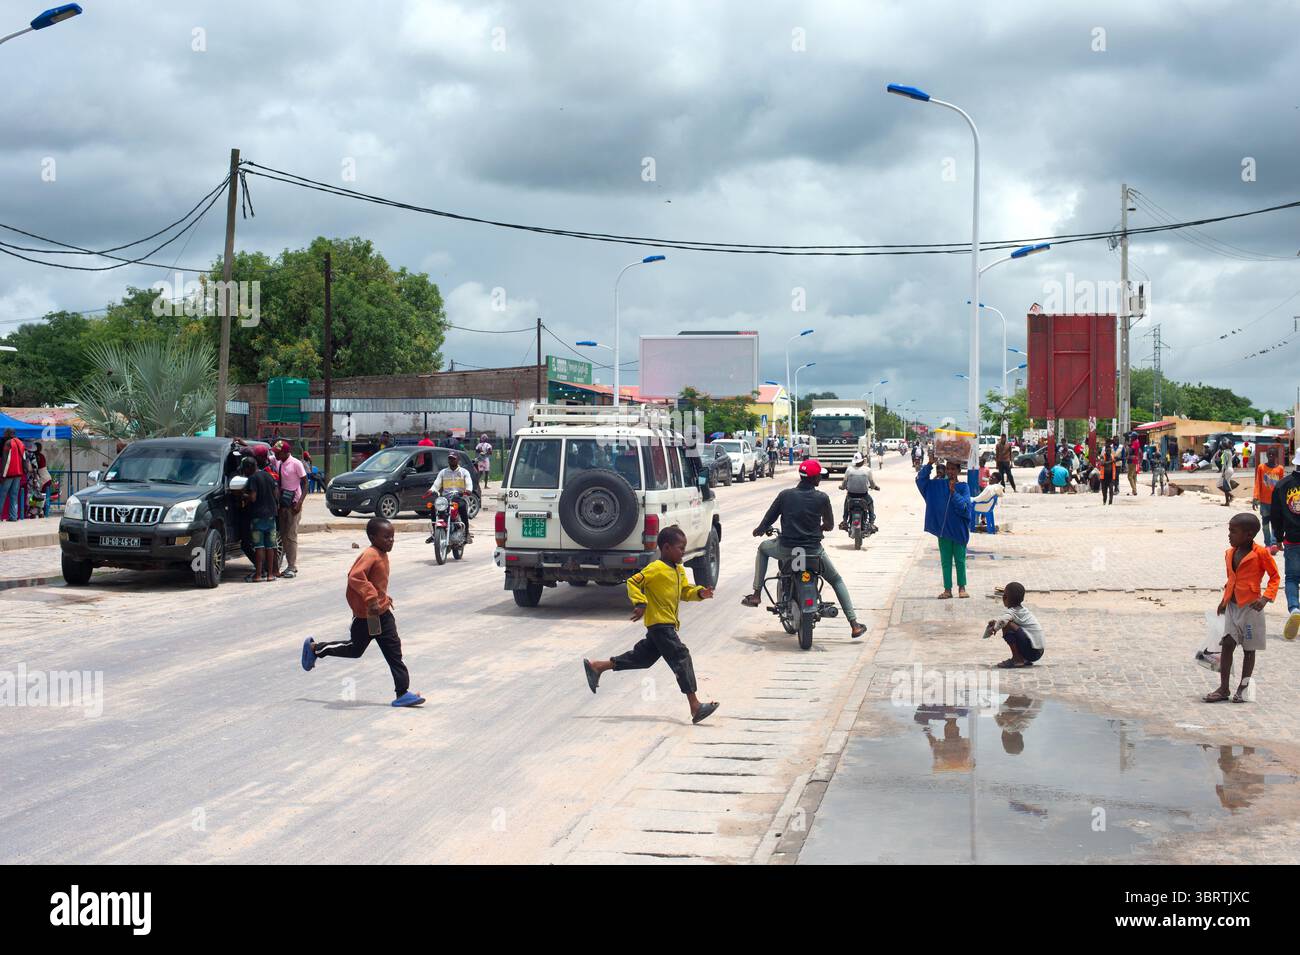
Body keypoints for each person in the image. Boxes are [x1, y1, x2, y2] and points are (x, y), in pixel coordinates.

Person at [582, 525, 719, 724]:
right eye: (680, 548)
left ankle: (598, 667)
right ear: (666, 548)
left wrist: (700, 593)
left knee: (642, 658)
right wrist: (640, 602)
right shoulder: (655, 569)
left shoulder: (678, 569)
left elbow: (685, 592)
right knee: (681, 656)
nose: (683, 551)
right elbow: (633, 582)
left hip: (666, 625)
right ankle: (695, 706)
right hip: (660, 624)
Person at [301, 516, 424, 707]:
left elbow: (376, 582)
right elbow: (355, 576)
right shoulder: (370, 554)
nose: (390, 541)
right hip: (367, 617)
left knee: (394, 653)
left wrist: (382, 598)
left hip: (382, 614)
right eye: (386, 537)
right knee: (354, 650)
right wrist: (371, 598)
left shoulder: (382, 553)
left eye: (392, 537)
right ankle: (316, 649)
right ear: (372, 537)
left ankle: (402, 693)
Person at [740, 459, 869, 637]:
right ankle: (854, 624)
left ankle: (756, 594)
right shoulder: (822, 498)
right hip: (814, 553)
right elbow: (830, 524)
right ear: (814, 478)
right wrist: (822, 528)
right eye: (819, 476)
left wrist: (759, 530)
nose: (820, 479)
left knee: (763, 548)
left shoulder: (785, 495)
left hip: (786, 549)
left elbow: (769, 518)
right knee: (836, 580)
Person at [1204, 512, 1278, 703]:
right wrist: (1224, 601)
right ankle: (1223, 688)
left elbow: (1275, 577)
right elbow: (1231, 580)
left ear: (1249, 535)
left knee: (1248, 649)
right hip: (1233, 606)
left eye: (1233, 531)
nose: (1229, 535)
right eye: (1229, 531)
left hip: (1251, 608)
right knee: (1227, 644)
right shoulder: (1230, 553)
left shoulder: (1261, 553)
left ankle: (1243, 688)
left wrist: (1266, 598)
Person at [916, 451, 972, 599]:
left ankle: (962, 588)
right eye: (948, 468)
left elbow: (965, 509)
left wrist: (954, 493)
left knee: (960, 560)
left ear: (959, 471)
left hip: (959, 531)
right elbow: (920, 481)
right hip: (943, 531)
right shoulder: (937, 485)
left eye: (953, 469)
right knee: (945, 562)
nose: (950, 471)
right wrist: (929, 464)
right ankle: (947, 589)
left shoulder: (964, 487)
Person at [1268, 452, 1300, 640]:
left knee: (1292, 578)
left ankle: (1295, 608)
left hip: (1293, 540)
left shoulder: (1282, 485)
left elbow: (1276, 515)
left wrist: (1277, 538)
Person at [983, 581, 1045, 668]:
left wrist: (995, 628)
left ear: (1004, 597)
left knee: (1007, 625)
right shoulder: (1023, 611)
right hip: (1039, 651)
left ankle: (1017, 660)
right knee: (1009, 623)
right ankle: (1022, 658)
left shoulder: (1011, 613)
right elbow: (1004, 620)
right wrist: (997, 623)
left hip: (1032, 652)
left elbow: (1003, 621)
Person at [272, 440, 307, 578]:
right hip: (283, 503)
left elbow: (305, 483)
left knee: (291, 535)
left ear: (285, 452)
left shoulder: (296, 463)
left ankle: (292, 566)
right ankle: (285, 564)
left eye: (278, 452)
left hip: (293, 504)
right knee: (283, 535)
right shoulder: (278, 461)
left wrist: (299, 502)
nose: (275, 455)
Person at [242, 455, 279, 582]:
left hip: (258, 517)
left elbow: (252, 497)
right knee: (270, 547)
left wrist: (242, 495)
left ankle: (258, 575)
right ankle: (270, 574)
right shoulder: (268, 475)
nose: (244, 473)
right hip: (271, 516)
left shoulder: (252, 478)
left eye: (245, 469)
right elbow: (276, 493)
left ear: (250, 467)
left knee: (259, 547)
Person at [430, 450, 476, 543]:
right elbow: (436, 484)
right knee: (433, 506)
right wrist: (432, 490)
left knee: (462, 507)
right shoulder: (443, 472)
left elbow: (469, 483)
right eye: (450, 459)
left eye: (453, 459)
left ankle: (466, 533)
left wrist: (468, 490)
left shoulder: (464, 472)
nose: (451, 461)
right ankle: (435, 533)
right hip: (446, 498)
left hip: (459, 497)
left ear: (458, 460)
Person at [838, 452, 880, 533]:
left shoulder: (849, 469)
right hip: (864, 496)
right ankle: (871, 523)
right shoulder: (867, 470)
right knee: (870, 503)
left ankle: (845, 521)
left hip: (851, 495)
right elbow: (872, 483)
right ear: (863, 460)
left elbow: (844, 483)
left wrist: (842, 487)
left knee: (846, 505)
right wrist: (875, 487)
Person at [1253, 446, 1284, 548]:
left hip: (1276, 502)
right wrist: (1255, 497)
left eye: (1273, 454)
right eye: (1269, 454)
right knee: (1265, 524)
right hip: (1264, 502)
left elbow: (1282, 486)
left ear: (1276, 456)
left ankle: (1274, 543)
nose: (1271, 456)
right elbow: (1258, 483)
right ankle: (1267, 543)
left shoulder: (1280, 469)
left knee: (1275, 524)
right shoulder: (1261, 467)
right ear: (1266, 455)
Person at [1, 428, 25, 522]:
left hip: (9, 473)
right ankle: (13, 516)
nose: (3, 434)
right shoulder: (21, 443)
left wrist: (3, 475)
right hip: (18, 474)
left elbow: (5, 460)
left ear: (9, 433)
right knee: (14, 496)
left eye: (5, 433)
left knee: (2, 495)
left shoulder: (8, 443)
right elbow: (24, 459)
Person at [1099, 437, 1120, 505]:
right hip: (1104, 476)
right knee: (1104, 491)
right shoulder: (1102, 456)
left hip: (1111, 476)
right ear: (1105, 451)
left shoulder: (1112, 456)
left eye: (1109, 451)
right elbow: (1102, 463)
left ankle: (1110, 502)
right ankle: (1104, 500)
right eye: (1107, 451)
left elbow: (1117, 460)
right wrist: (1111, 461)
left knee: (1111, 488)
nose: (1109, 452)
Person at [1216, 438, 1235, 507]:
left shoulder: (1225, 453)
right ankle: (1230, 496)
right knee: (1219, 485)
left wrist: (1223, 472)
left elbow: (1224, 464)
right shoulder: (1230, 451)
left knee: (1224, 486)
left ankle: (1227, 502)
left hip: (1226, 470)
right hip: (1230, 469)